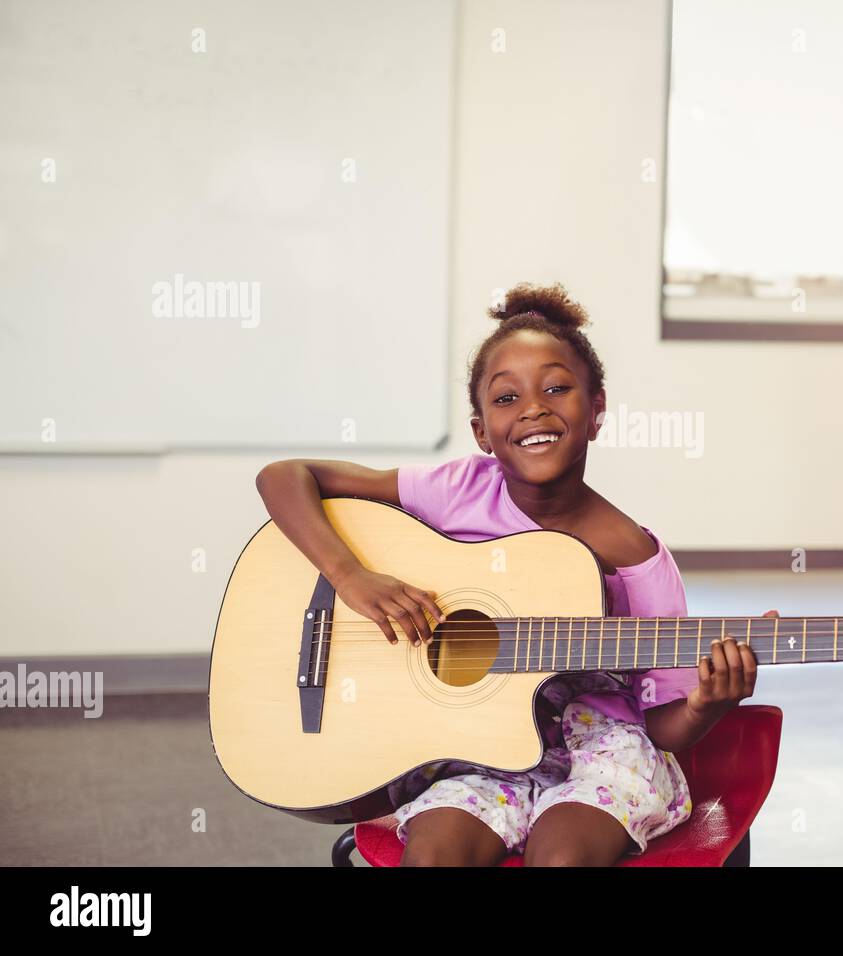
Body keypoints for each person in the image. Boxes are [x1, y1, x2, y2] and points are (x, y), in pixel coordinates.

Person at [255, 281, 768, 866]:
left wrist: (708, 704)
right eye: (506, 398)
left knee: (561, 859)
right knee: (432, 859)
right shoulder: (460, 489)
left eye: (557, 388)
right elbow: (284, 476)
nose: (533, 408)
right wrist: (350, 576)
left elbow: (667, 727)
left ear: (597, 410)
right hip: (471, 747)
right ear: (481, 432)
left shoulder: (634, 557)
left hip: (600, 748)